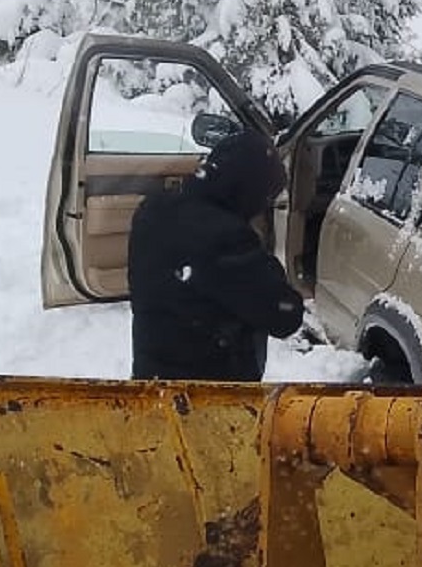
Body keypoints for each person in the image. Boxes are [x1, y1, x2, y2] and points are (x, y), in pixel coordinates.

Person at [128, 129, 305, 381]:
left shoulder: (153, 209)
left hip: (150, 378)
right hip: (208, 396)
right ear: (250, 192)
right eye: (266, 198)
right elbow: (284, 316)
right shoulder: (227, 239)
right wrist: (267, 264)